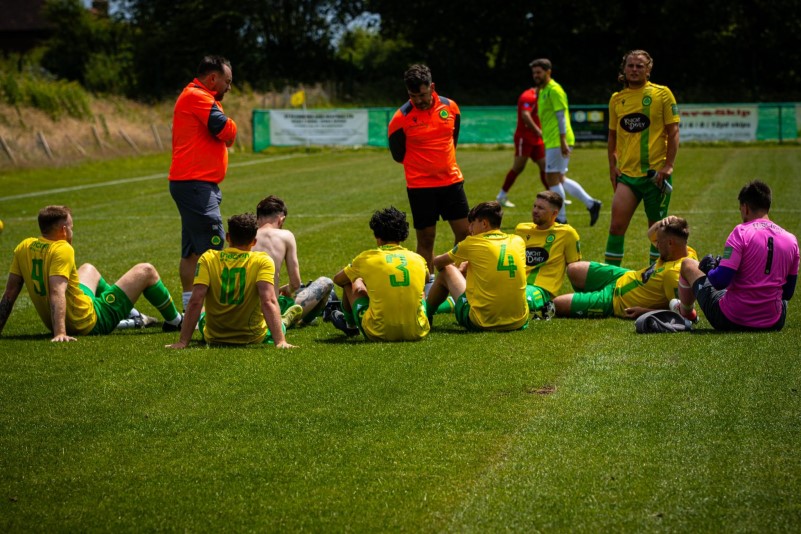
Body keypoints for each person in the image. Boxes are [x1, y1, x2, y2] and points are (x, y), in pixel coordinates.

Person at [0, 205, 183, 341]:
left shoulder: (24, 246)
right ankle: (176, 321)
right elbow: (57, 291)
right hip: (87, 322)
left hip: (60, 317)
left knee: (88, 268)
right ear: (63, 230)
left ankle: (132, 314)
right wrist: (60, 333)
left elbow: (9, 293)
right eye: (71, 227)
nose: (72, 231)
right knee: (146, 270)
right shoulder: (62, 248)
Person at [675, 181, 798, 331]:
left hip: (731, 319)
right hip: (774, 322)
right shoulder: (791, 240)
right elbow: (788, 293)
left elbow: (720, 281)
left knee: (688, 264)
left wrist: (710, 268)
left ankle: (686, 314)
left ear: (745, 208)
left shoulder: (740, 232)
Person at [166, 213, 298, 349]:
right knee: (279, 315)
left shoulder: (208, 258)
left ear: (228, 237)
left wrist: (182, 342)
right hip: (253, 336)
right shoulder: (262, 261)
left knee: (203, 312)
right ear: (254, 241)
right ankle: (284, 319)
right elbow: (268, 301)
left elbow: (195, 300)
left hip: (214, 337)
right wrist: (280, 342)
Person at [168, 55, 238, 311]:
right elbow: (227, 132)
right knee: (214, 248)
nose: (229, 87)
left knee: (191, 252)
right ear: (213, 78)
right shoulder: (199, 97)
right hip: (196, 184)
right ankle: (214, 311)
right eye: (227, 82)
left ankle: (191, 310)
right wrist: (232, 126)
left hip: (191, 183)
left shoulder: (196, 96)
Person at [388, 64, 470, 272]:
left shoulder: (451, 108)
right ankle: (426, 288)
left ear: (432, 87)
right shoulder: (400, 119)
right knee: (426, 240)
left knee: (465, 233)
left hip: (451, 181)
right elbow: (398, 155)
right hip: (420, 187)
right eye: (413, 95)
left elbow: (453, 140)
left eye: (422, 94)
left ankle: (456, 281)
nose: (418, 100)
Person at [606, 50, 680, 266]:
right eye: (630, 65)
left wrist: (668, 166)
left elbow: (673, 132)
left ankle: (655, 279)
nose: (634, 70)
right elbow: (612, 135)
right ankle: (610, 281)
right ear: (624, 69)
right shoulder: (616, 99)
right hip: (627, 176)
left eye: (639, 66)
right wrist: (613, 166)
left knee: (657, 232)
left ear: (648, 69)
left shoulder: (662, 94)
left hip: (654, 176)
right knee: (616, 227)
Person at [553, 216, 696, 319]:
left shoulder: (673, 274)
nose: (656, 245)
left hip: (617, 300)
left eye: (659, 242)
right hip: (622, 276)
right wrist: (661, 223)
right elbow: (650, 234)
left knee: (556, 304)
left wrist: (644, 311)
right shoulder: (685, 250)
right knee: (573, 269)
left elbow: (682, 312)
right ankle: (588, 296)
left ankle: (590, 299)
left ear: (670, 243)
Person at [331, 207, 430, 342]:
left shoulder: (366, 258)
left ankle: (349, 324)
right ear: (403, 234)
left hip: (378, 332)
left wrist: (361, 281)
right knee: (420, 290)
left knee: (351, 280)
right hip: (418, 331)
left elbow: (338, 280)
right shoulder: (418, 258)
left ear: (377, 236)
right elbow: (427, 279)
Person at [426, 201, 529, 331]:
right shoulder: (518, 241)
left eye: (472, 224)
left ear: (484, 223)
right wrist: (470, 265)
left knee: (447, 270)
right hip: (519, 321)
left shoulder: (472, 242)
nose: (470, 230)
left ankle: (425, 315)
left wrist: (458, 268)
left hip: (482, 322)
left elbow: (438, 262)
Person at [531, 58, 601, 226]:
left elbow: (561, 116)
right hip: (553, 139)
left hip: (558, 140)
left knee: (552, 178)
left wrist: (562, 141)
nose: (536, 76)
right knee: (560, 178)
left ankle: (561, 218)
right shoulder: (543, 90)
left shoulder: (555, 90)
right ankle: (591, 204)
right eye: (534, 73)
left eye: (539, 72)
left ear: (548, 72)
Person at [253, 195, 334, 326]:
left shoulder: (245, 236)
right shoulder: (286, 236)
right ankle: (302, 320)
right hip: (271, 310)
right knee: (326, 282)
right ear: (281, 219)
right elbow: (295, 283)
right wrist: (288, 289)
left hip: (243, 308)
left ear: (257, 218)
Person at [514, 191, 582, 317]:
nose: (535, 210)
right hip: (515, 283)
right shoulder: (521, 229)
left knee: (518, 301)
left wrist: (581, 299)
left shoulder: (567, 234)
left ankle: (544, 309)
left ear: (554, 213)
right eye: (534, 206)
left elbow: (576, 269)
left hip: (541, 289)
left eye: (541, 208)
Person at [495, 75, 547, 209]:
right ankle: (501, 196)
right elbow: (525, 115)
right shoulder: (528, 96)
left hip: (536, 139)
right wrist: (539, 131)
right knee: (518, 167)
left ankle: (554, 196)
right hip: (525, 138)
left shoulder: (542, 96)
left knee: (545, 167)